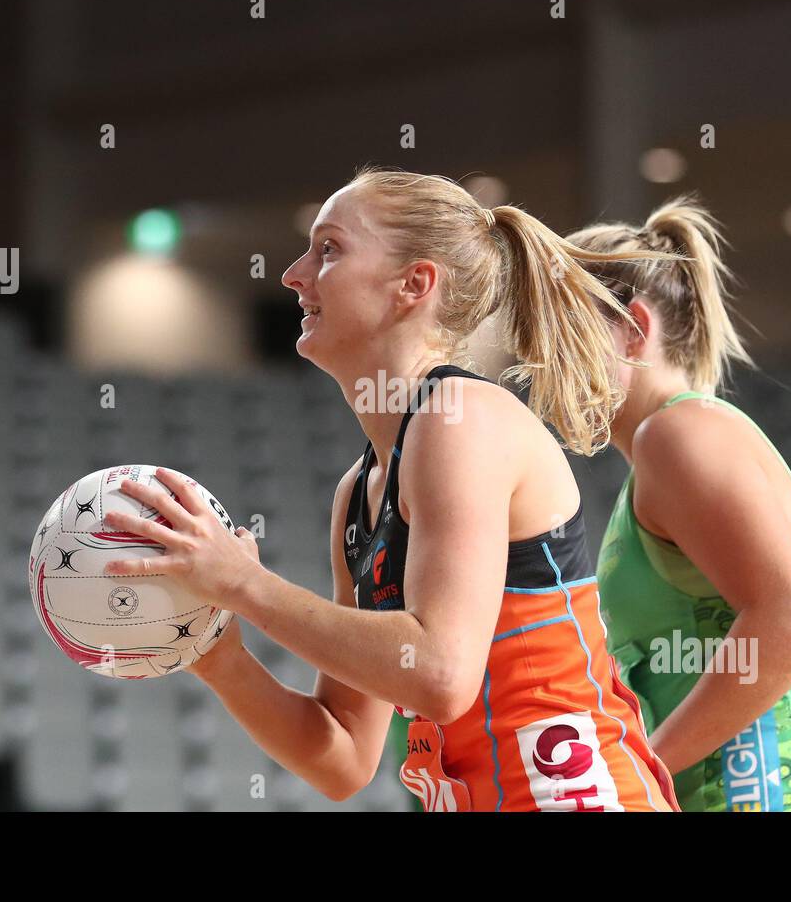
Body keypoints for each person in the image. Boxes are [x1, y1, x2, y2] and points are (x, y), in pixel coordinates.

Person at [103, 168, 678, 811]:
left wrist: (247, 584)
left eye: (328, 249)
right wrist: (216, 655)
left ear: (414, 285)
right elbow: (344, 759)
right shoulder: (360, 491)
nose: (293, 275)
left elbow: (439, 674)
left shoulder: (460, 416)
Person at [566, 196, 791, 811]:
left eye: (566, 335)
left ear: (636, 329)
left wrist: (640, 772)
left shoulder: (676, 434)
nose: (545, 364)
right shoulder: (654, 459)